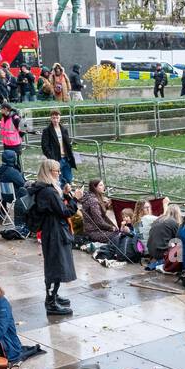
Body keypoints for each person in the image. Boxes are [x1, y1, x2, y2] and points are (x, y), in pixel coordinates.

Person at [31, 159, 79, 316]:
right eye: (56, 171)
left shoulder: (47, 189)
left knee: (56, 264)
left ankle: (54, 295)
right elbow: (65, 212)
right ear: (48, 172)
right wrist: (74, 198)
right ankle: (50, 302)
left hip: (52, 230)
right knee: (55, 266)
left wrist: (65, 194)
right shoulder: (49, 192)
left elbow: (57, 208)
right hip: (54, 232)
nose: (59, 173)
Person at [41, 109, 77, 185]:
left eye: (57, 118)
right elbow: (44, 146)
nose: (55, 120)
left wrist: (70, 156)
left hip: (66, 158)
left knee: (68, 179)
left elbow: (67, 144)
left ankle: (66, 195)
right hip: (56, 159)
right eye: (53, 118)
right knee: (58, 180)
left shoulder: (64, 129)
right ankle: (60, 195)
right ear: (50, 118)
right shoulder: (47, 130)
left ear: (60, 118)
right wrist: (52, 158)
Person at [79, 178, 117, 243]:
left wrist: (106, 205)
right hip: (93, 231)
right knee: (117, 235)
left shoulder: (90, 195)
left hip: (90, 229)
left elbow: (97, 210)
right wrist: (111, 228)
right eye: (101, 185)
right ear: (95, 187)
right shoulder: (93, 201)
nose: (103, 186)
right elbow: (99, 221)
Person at [146, 202, 181, 267]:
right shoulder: (173, 222)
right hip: (161, 253)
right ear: (177, 213)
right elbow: (178, 239)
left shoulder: (158, 219)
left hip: (151, 251)